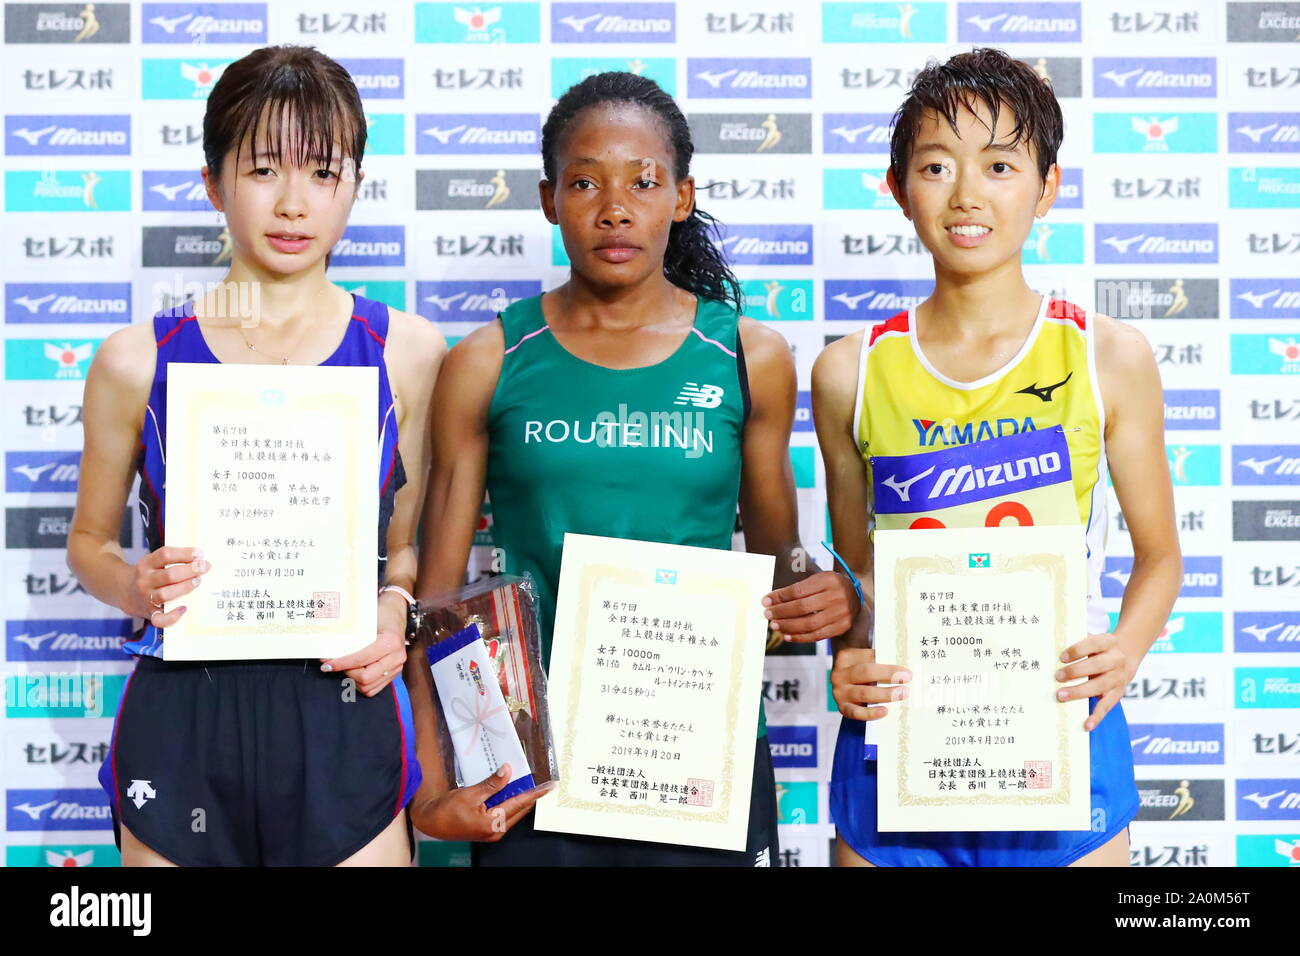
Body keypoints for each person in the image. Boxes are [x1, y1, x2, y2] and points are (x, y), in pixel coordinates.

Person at [402, 71, 859, 866]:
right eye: (585, 183)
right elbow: (439, 605)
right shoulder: (489, 360)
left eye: (643, 183)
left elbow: (779, 577)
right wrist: (433, 787)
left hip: (698, 757)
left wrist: (831, 594)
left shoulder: (750, 357)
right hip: (534, 769)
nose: (615, 208)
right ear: (549, 200)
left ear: (682, 197)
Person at [66, 45, 445, 866]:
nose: (293, 202)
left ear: (354, 188)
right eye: (264, 169)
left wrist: (396, 612)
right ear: (213, 183)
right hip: (184, 721)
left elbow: (404, 548)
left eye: (322, 172)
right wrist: (134, 582)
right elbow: (87, 544)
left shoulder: (407, 351)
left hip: (345, 710)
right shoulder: (136, 358)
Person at [814, 48, 1182, 867]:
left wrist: (1124, 649)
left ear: (1047, 187)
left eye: (1001, 164)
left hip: (1061, 732)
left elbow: (1160, 558)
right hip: (900, 744)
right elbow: (859, 574)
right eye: (937, 164)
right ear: (899, 186)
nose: (968, 193)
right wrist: (847, 655)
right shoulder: (849, 371)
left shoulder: (1105, 355)